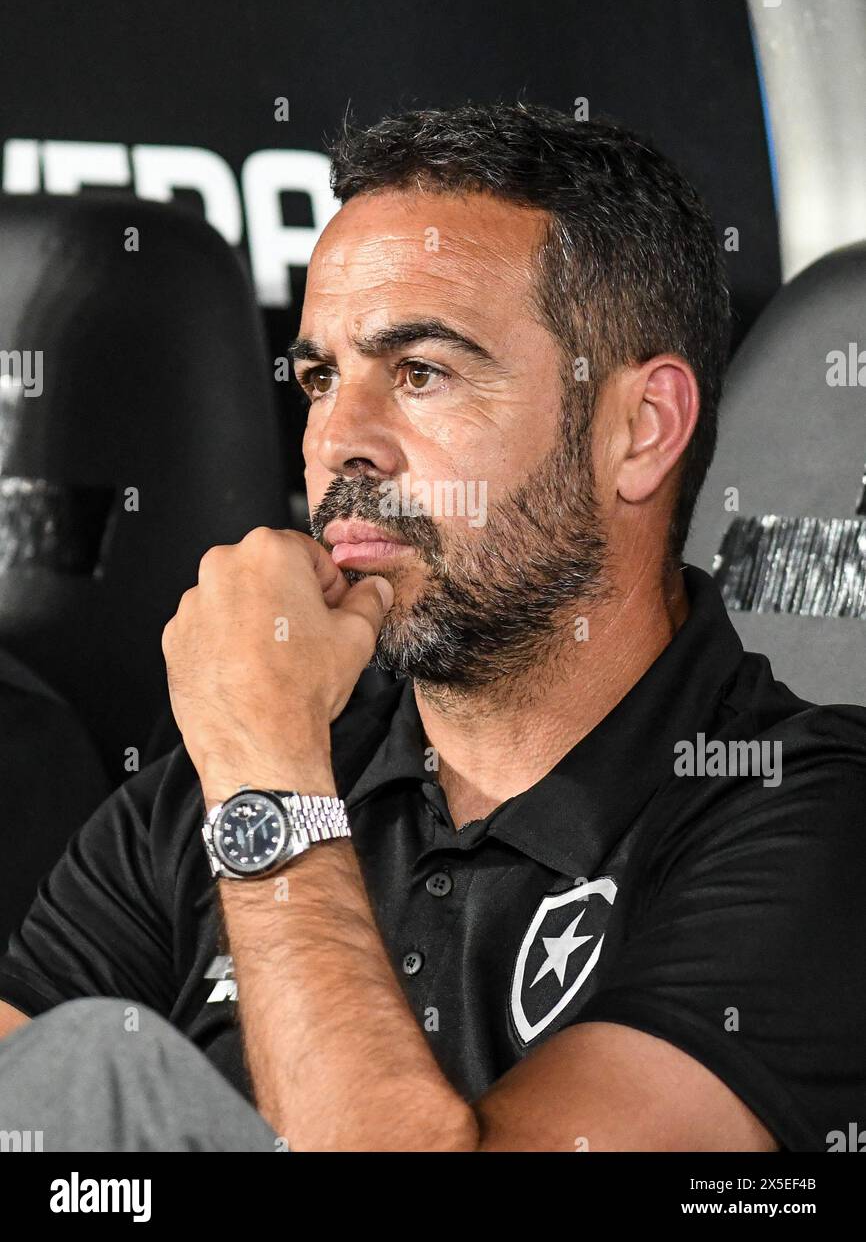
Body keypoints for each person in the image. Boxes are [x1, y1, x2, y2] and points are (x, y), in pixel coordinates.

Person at [1, 103, 864, 1152]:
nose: (336, 442)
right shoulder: (210, 785)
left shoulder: (809, 822)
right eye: (322, 377)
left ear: (639, 430)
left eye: (421, 372)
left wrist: (270, 785)